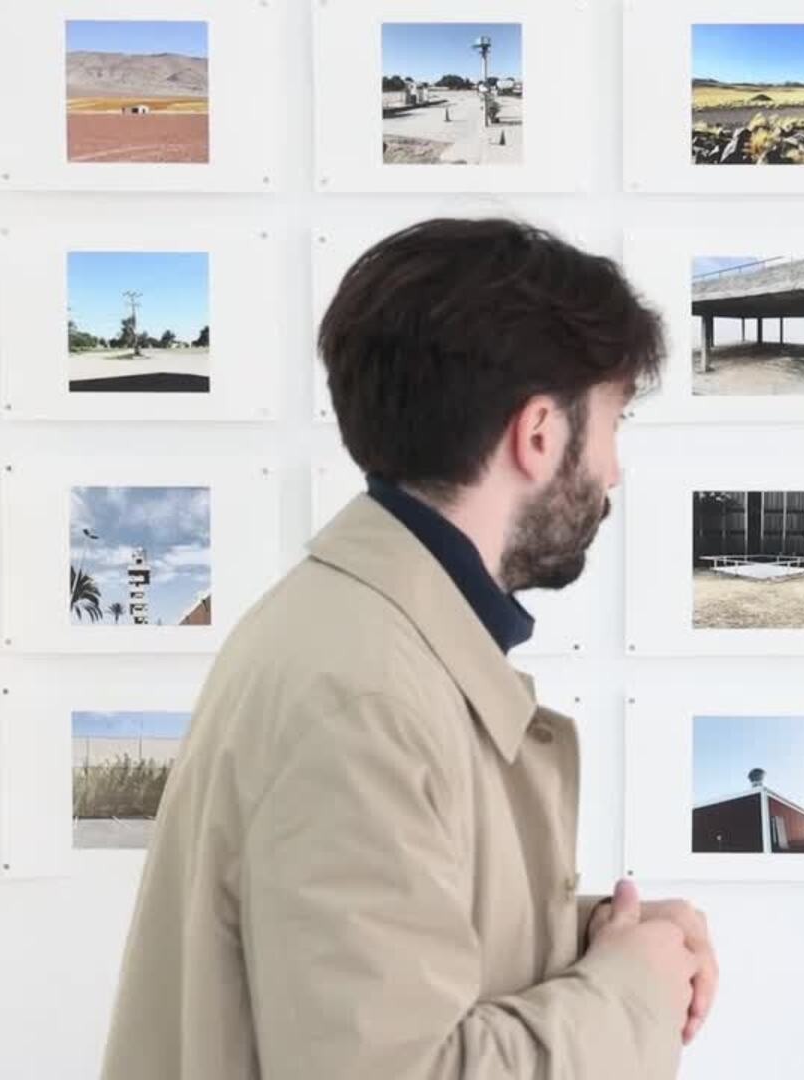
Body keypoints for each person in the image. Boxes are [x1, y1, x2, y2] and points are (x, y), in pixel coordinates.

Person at [99, 217, 718, 1078]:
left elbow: (371, 972)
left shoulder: (359, 639)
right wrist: (632, 994)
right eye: (612, 422)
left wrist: (612, 941)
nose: (614, 469)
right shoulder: (364, 699)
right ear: (539, 433)